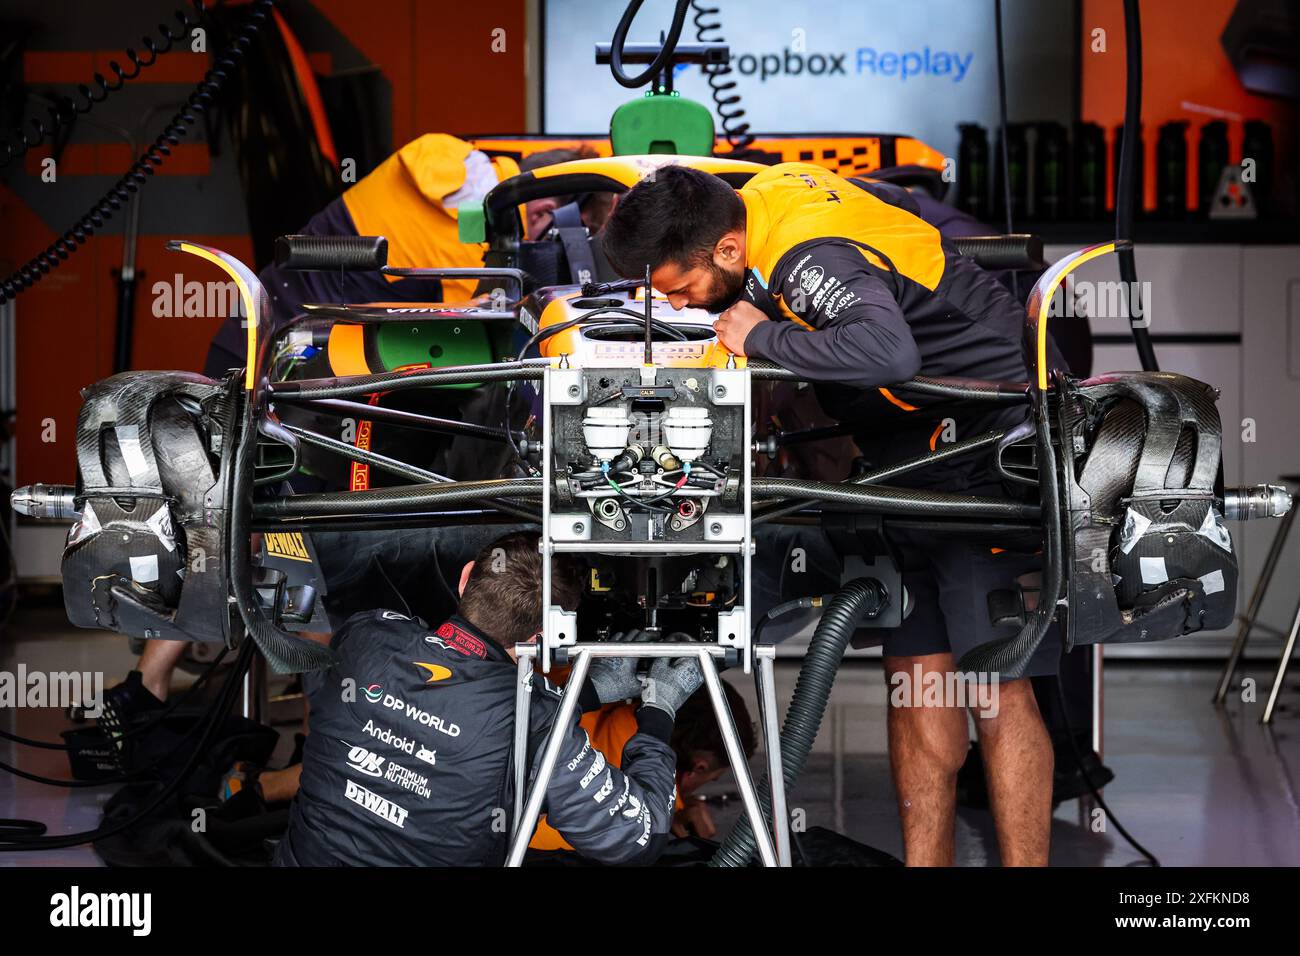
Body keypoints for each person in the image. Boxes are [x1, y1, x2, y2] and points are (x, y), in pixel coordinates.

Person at [600, 162, 1065, 867]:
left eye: (684, 289)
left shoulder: (803, 254)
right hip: (914, 449)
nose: (691, 307)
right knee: (918, 682)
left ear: (727, 249)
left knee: (995, 686)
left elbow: (887, 349)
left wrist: (759, 337)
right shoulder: (758, 199)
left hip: (990, 439)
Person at [275, 530, 700, 866]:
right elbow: (638, 836)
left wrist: (582, 694)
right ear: (546, 639)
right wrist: (660, 710)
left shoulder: (367, 635)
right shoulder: (538, 726)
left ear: (464, 578)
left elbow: (462, 697)